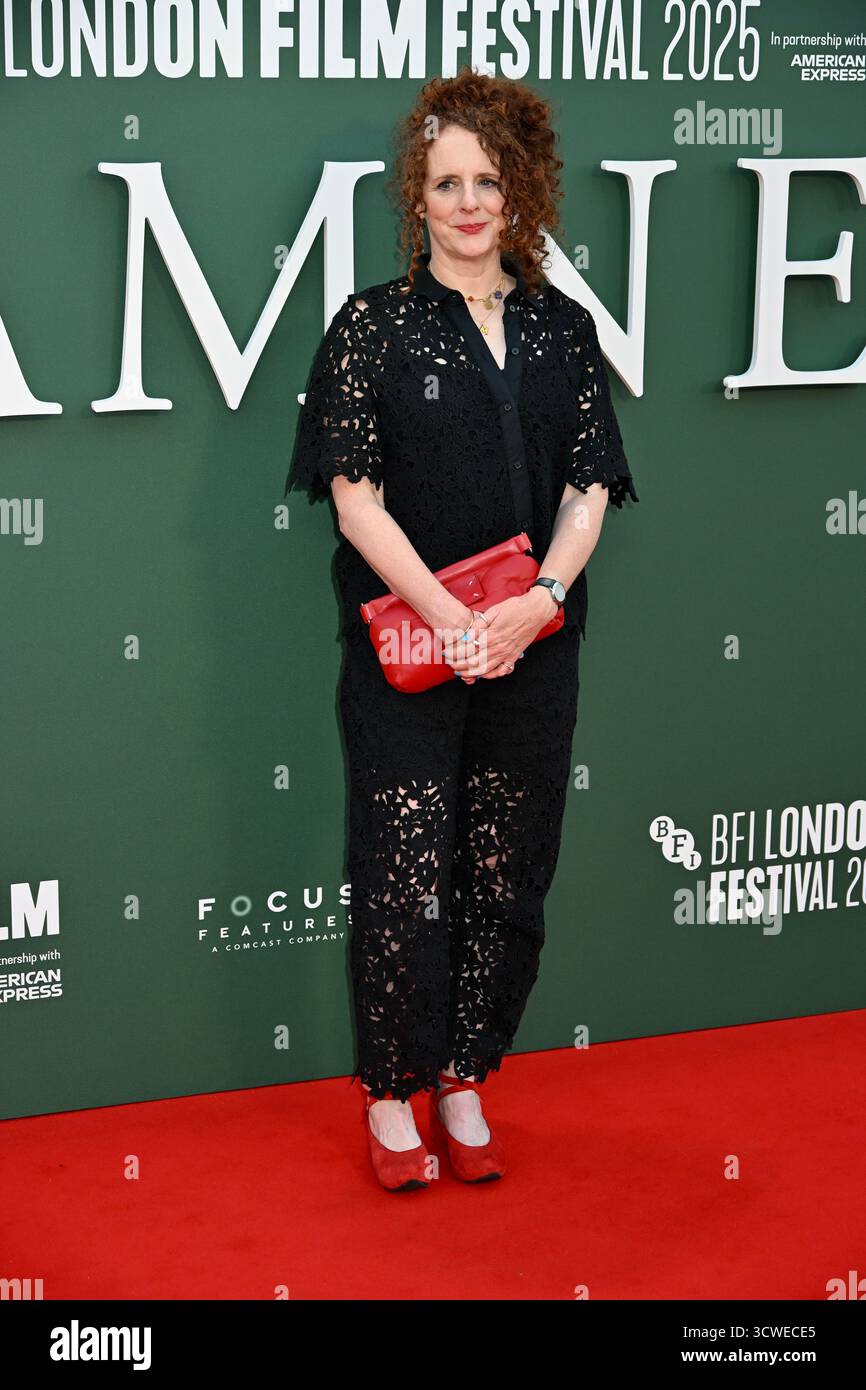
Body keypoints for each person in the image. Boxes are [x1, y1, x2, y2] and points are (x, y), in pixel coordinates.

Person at [284, 67, 638, 1191]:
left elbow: (589, 487)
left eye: (489, 179)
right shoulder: (369, 328)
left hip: (532, 652)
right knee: (401, 871)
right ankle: (391, 1095)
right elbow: (352, 500)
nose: (468, 201)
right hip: (406, 656)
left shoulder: (561, 328)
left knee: (504, 869)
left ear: (521, 190)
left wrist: (530, 609)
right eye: (446, 182)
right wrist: (456, 622)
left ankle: (463, 1074)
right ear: (415, 196)